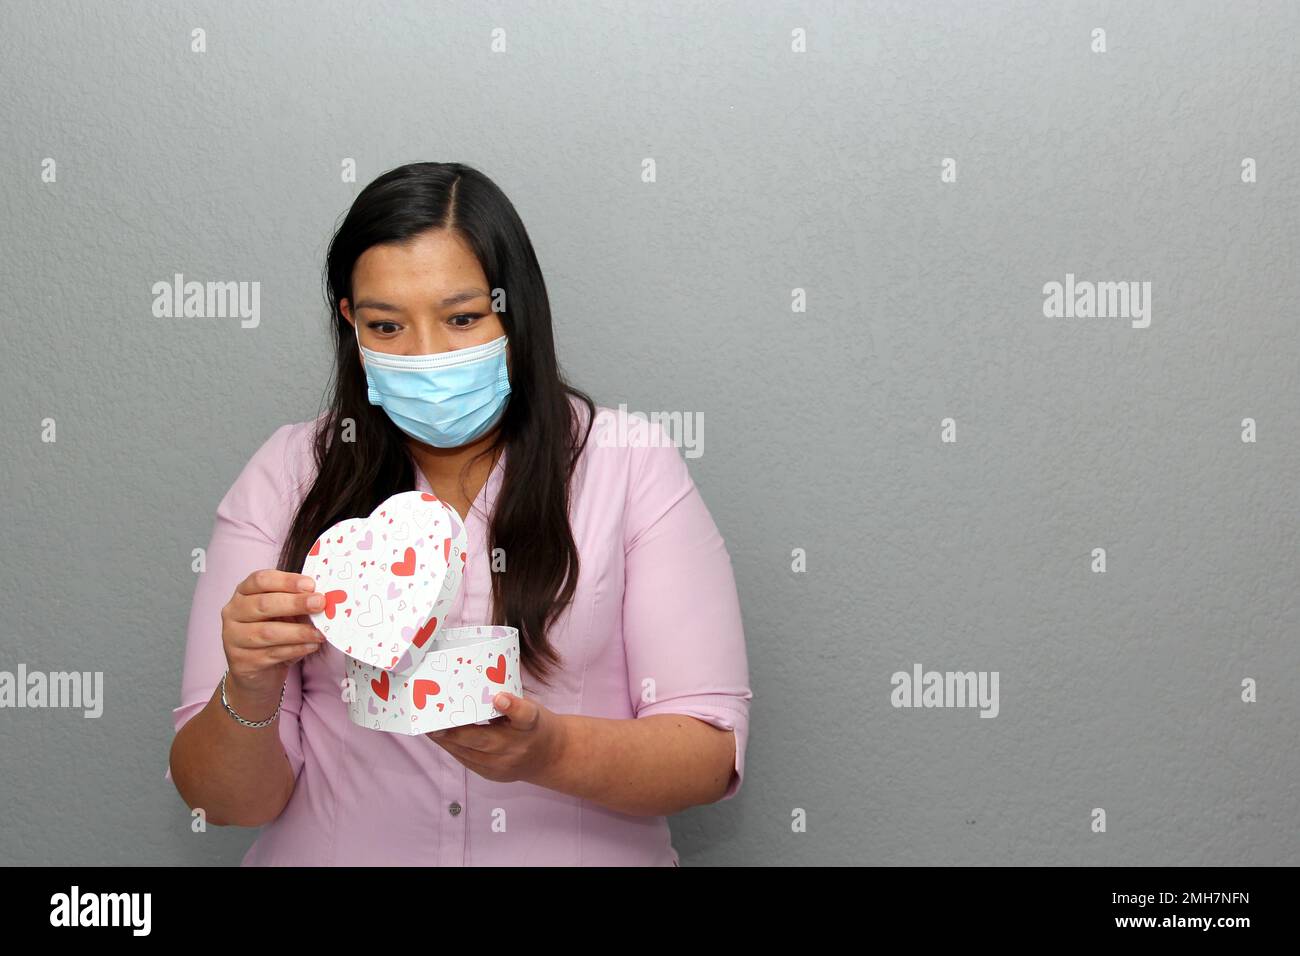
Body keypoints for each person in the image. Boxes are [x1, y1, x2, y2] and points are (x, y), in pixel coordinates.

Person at [164, 161, 752, 865]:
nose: (428, 355)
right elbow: (222, 803)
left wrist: (549, 750)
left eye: (463, 317)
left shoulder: (629, 463)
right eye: (387, 325)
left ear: (517, 311)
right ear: (350, 323)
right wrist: (249, 683)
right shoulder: (287, 476)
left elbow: (708, 754)